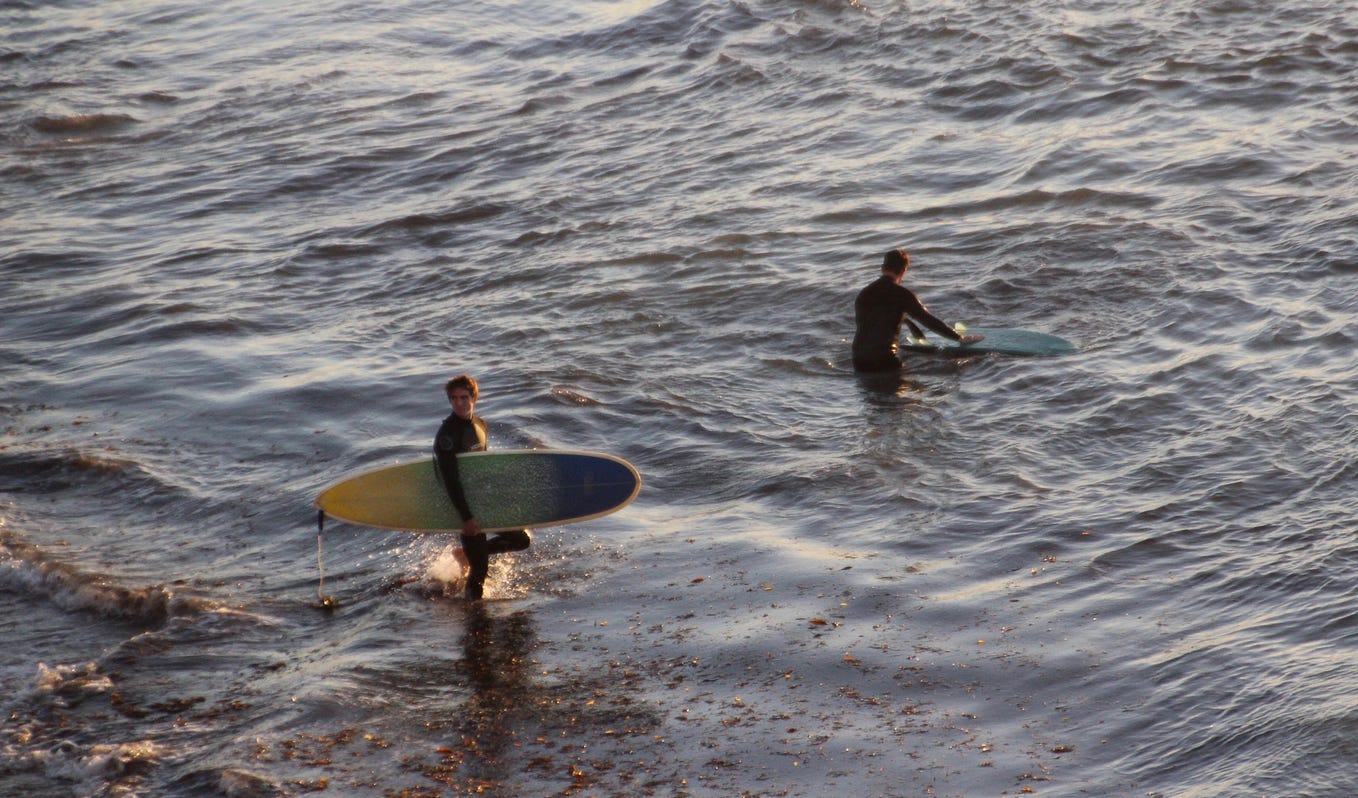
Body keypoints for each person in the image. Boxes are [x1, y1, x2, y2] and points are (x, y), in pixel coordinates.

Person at [433, 374, 531, 600]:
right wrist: (466, 518)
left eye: (464, 397)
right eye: (454, 398)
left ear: (474, 397)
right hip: (464, 507)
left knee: (521, 540)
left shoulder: (480, 425)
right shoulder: (447, 435)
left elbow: (482, 469)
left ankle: (465, 555)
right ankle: (474, 621)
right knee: (479, 573)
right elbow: (451, 480)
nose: (459, 403)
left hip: (484, 501)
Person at [851, 248, 983, 371]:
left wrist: (905, 320)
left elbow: (874, 321)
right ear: (904, 270)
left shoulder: (864, 294)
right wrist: (959, 338)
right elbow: (928, 320)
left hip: (858, 360)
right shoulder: (902, 294)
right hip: (885, 360)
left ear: (882, 268)